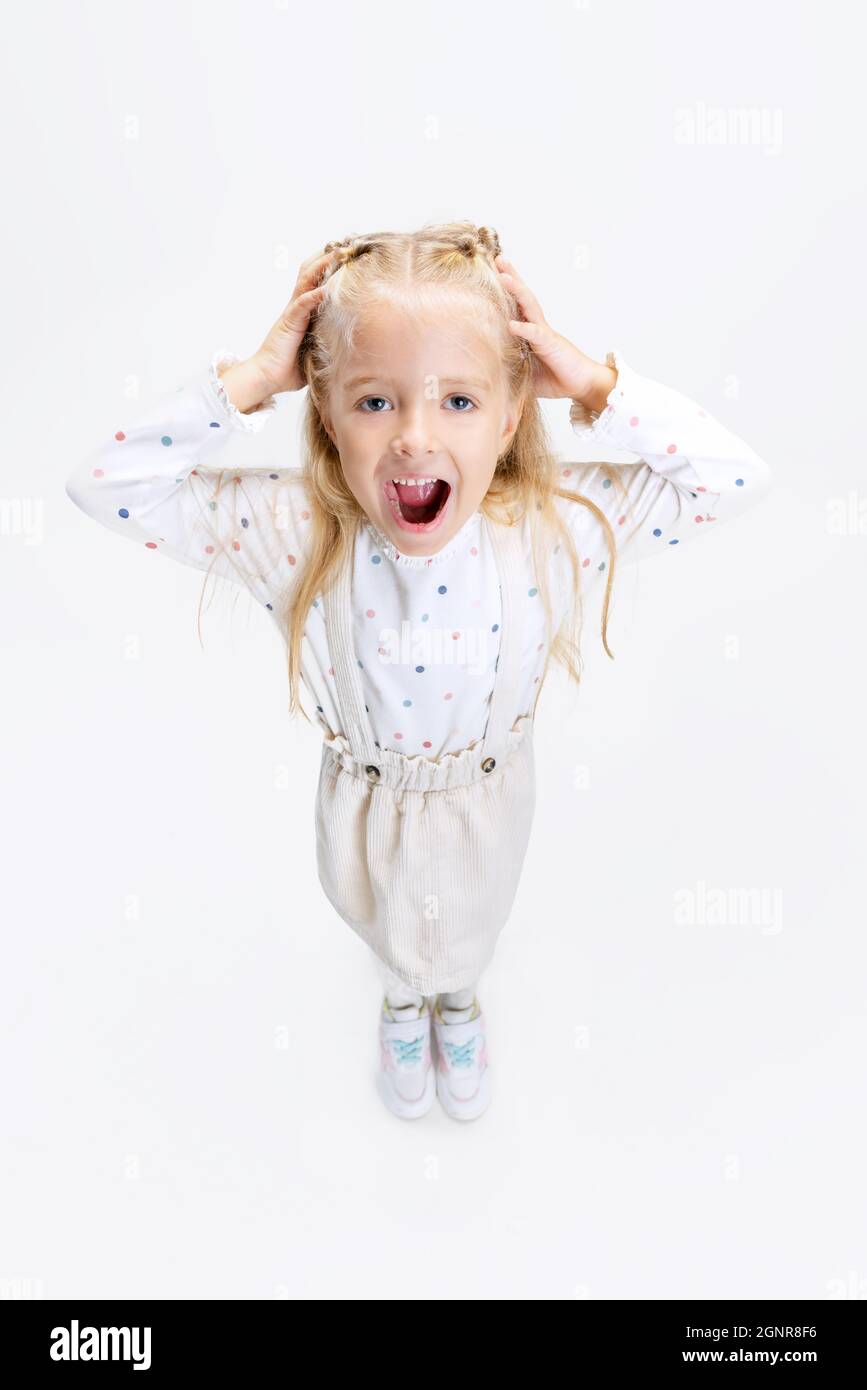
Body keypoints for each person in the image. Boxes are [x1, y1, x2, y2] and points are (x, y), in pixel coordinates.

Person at [65, 223, 772, 1123]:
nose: (413, 437)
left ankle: (459, 1004)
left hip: (490, 805)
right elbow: (104, 484)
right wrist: (248, 382)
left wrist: (594, 385)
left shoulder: (549, 531)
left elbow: (732, 479)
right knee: (383, 932)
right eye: (374, 402)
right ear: (323, 412)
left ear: (515, 413)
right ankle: (405, 1004)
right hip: (365, 814)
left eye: (460, 402)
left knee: (472, 933)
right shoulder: (294, 533)